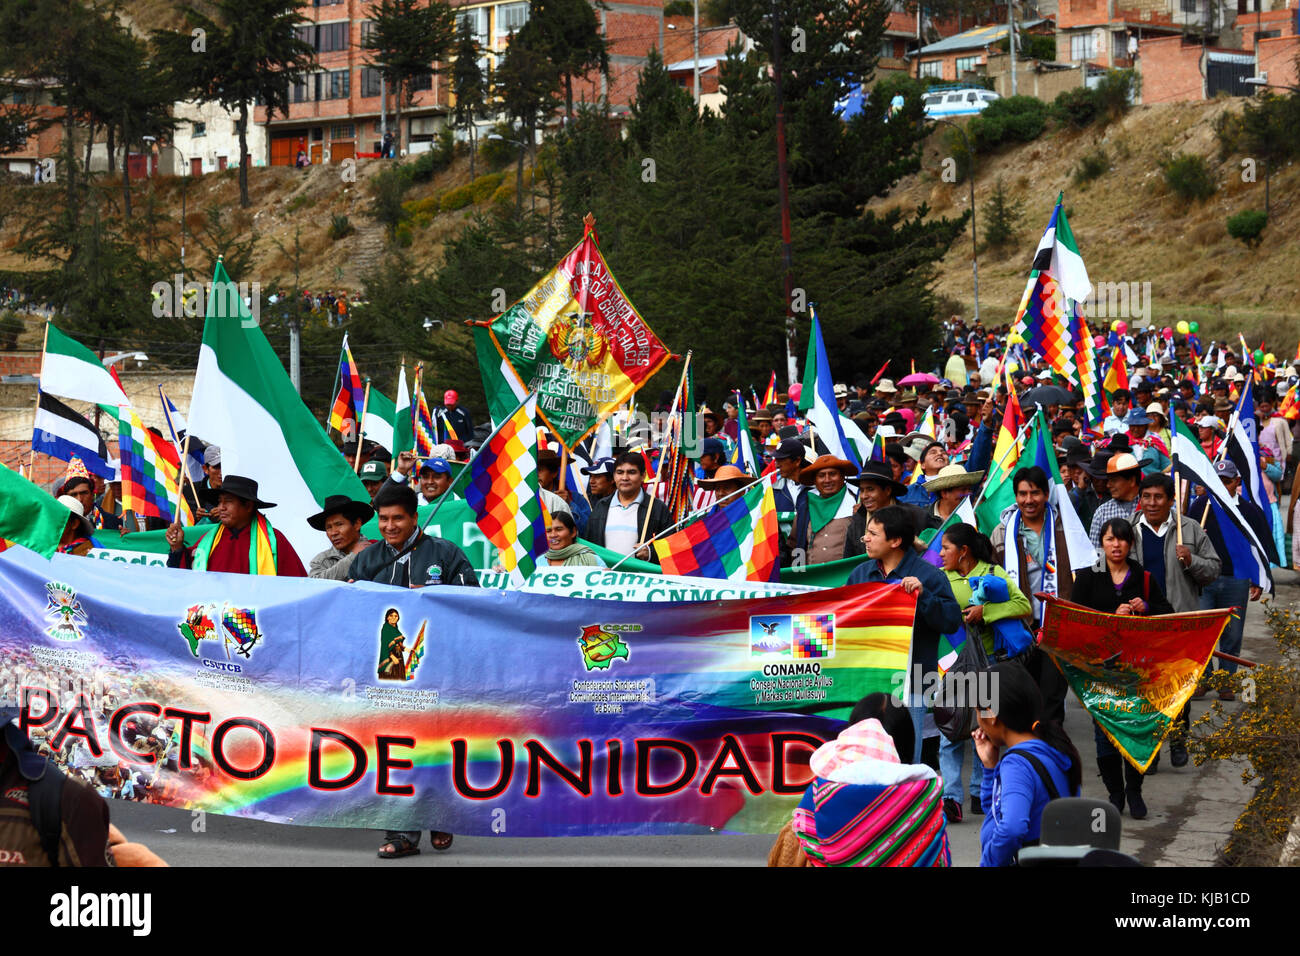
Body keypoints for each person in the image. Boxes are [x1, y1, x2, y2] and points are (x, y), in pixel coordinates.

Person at [1070, 518, 1175, 818]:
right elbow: (1078, 619)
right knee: (1104, 737)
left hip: (1136, 672)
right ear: (1101, 543)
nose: (1115, 545)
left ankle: (1134, 791)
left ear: (1131, 544)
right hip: (1099, 672)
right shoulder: (1089, 577)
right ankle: (1115, 793)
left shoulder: (1143, 577)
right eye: (1109, 539)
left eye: (1122, 539)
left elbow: (1167, 615)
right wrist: (1109, 616)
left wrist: (1147, 608)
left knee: (1135, 734)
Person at [847, 506, 961, 763]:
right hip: (869, 679)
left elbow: (952, 621)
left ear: (896, 541)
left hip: (912, 680)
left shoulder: (929, 576)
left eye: (873, 534)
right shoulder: (860, 575)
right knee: (867, 753)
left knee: (907, 757)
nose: (865, 538)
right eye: (867, 533)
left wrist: (924, 597)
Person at [784, 693, 951, 867]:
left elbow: (804, 844)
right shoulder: (925, 799)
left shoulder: (818, 795)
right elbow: (939, 858)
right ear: (906, 741)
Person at [938, 523, 1033, 823]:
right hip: (952, 663)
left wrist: (986, 613)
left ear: (963, 551)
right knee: (951, 728)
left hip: (991, 663)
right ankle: (951, 797)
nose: (940, 554)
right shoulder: (940, 579)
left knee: (986, 727)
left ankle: (981, 790)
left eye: (946, 549)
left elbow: (1023, 605)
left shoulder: (993, 574)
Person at [989, 465, 1080, 723]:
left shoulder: (1065, 528)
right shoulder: (1003, 532)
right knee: (1023, 697)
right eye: (1022, 494)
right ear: (1015, 496)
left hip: (1056, 625)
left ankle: (1052, 753)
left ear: (1046, 493)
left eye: (1035, 493)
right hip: (1020, 628)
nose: (1029, 500)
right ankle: (1029, 754)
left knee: (1052, 698)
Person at [973, 661, 1084, 866]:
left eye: (978, 712)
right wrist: (990, 767)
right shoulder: (1055, 748)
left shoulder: (1017, 765)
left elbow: (1011, 828)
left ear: (992, 714)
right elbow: (997, 815)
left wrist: (988, 863)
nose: (978, 722)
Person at [1188, 459, 1276, 692]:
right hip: (1204, 578)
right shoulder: (1200, 506)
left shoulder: (1248, 511)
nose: (1221, 486)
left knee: (1232, 634)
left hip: (1236, 580)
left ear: (1237, 482)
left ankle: (1226, 680)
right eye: (1217, 481)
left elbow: (1260, 546)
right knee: (1201, 632)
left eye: (1226, 481)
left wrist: (1257, 579)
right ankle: (1204, 679)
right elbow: (1186, 538)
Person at [165, 476, 307, 576]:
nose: (221, 507)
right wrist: (177, 547)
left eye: (228, 501)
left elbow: (295, 586)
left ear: (248, 506)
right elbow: (183, 576)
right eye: (219, 502)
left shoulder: (274, 541)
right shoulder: (208, 541)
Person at [348, 483, 478, 588]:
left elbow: (469, 601)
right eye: (383, 519)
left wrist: (432, 597)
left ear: (414, 518)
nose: (390, 526)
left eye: (398, 518)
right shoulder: (365, 558)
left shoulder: (447, 553)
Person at [581, 452, 672, 560]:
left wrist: (650, 553)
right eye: (620, 472)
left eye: (631, 472)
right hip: (606, 575)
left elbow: (672, 547)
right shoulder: (601, 506)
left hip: (641, 575)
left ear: (643, 475)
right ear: (614, 476)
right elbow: (589, 546)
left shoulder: (657, 508)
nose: (625, 477)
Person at [842, 461, 928, 559]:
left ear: (887, 490)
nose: (864, 496)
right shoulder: (857, 523)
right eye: (861, 490)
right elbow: (848, 562)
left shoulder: (915, 516)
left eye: (870, 489)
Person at [788, 455, 857, 565]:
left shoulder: (856, 503)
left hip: (847, 578)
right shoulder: (805, 506)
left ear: (842, 476)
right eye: (821, 476)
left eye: (832, 474)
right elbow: (795, 544)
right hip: (812, 578)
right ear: (815, 480)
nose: (827, 480)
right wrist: (799, 571)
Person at [307, 495, 374, 580]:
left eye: (339, 524)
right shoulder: (321, 560)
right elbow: (315, 584)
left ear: (357, 524)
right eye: (329, 527)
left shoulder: (377, 550)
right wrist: (353, 557)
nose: (333, 533)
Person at [1088, 452, 1143, 548]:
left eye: (1114, 480)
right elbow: (1096, 554)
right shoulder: (1102, 512)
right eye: (1108, 480)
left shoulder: (1150, 507)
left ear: (1131, 481)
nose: (1108, 485)